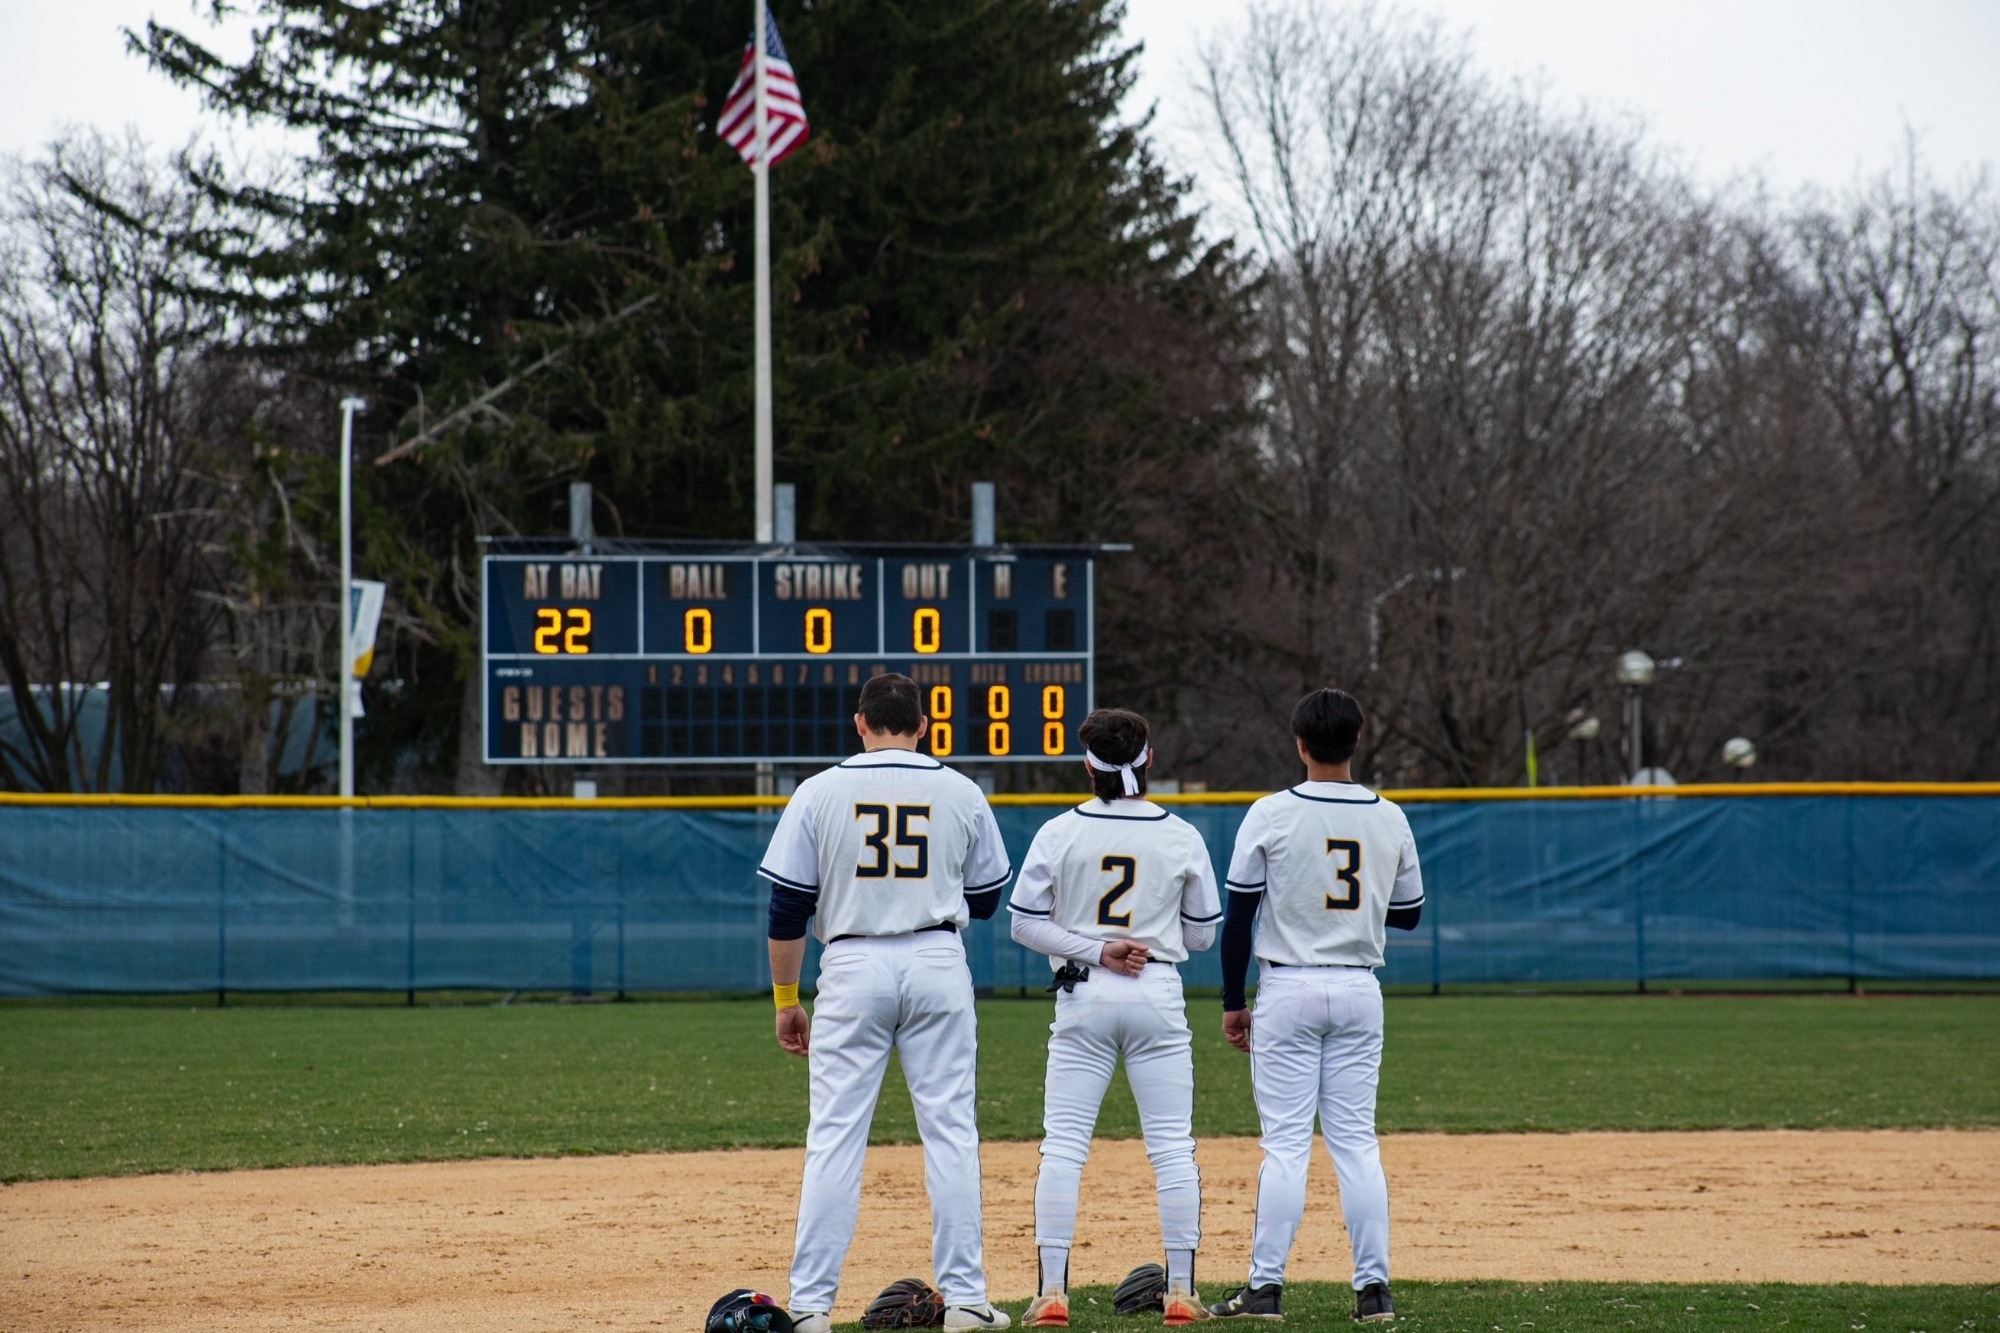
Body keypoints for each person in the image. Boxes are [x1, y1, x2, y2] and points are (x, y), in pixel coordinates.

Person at [760, 672, 1014, 1333]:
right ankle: (965, 1300)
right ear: (924, 725)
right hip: (935, 958)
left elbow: (787, 908)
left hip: (851, 962)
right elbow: (986, 898)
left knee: (835, 1138)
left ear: (861, 723)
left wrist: (787, 996)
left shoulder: (819, 790)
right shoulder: (961, 790)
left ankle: (811, 1308)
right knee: (951, 1132)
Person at [1206, 689, 1425, 1326]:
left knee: (1285, 1147)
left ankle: (1265, 1289)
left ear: (1299, 743)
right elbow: (1408, 914)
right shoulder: (1390, 815)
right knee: (1356, 1144)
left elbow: (1239, 920)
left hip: (1289, 986)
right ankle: (1374, 1293)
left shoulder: (1271, 812)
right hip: (1359, 986)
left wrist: (1230, 1001)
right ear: (1357, 740)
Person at [1007, 708, 1223, 1328]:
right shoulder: (1181, 833)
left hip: (1085, 992)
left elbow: (1024, 922)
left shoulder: (1059, 831)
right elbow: (1204, 937)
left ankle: (1052, 1294)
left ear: (1088, 765)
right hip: (1156, 988)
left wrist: (1094, 947)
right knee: (1173, 1149)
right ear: (1149, 760)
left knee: (1065, 1148)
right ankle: (1180, 1292)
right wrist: (1143, 940)